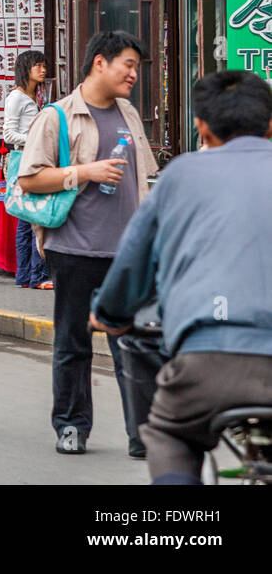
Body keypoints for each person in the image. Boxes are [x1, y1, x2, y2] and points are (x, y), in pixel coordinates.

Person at [90, 70, 272, 483]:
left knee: (171, 434)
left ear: (201, 127)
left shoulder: (181, 175)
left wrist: (109, 313)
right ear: (271, 124)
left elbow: (133, 262)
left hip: (208, 364)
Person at [16, 30, 158, 457]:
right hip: (73, 249)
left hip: (127, 253)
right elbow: (29, 178)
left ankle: (143, 435)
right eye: (128, 65)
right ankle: (72, 426)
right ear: (100, 62)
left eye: (136, 67)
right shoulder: (58, 116)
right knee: (73, 344)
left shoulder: (129, 114)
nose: (134, 74)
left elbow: (145, 178)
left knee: (132, 346)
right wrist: (86, 172)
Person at [3, 49, 51, 290]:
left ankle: (25, 276)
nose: (43, 70)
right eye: (38, 66)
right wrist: (33, 138)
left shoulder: (34, 97)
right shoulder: (17, 98)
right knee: (34, 218)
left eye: (44, 66)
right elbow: (8, 133)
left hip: (32, 158)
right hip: (25, 160)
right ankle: (37, 276)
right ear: (26, 70)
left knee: (26, 220)